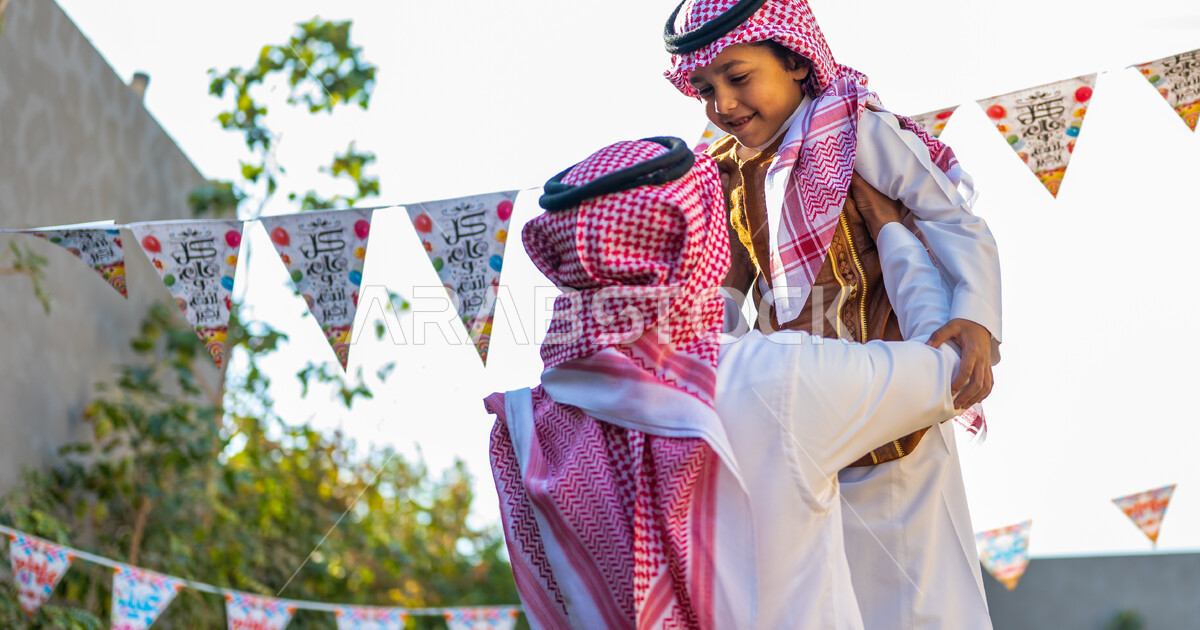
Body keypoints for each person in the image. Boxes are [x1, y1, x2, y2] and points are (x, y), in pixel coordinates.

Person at [486, 137, 969, 629]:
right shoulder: (778, 378)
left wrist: (730, 295)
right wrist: (891, 231)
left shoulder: (533, 425)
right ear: (699, 237)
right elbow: (952, 368)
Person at [662, 1, 1000, 628]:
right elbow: (728, 292)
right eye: (705, 90)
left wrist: (976, 318)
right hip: (801, 413)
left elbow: (953, 220)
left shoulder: (855, 129)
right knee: (826, 589)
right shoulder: (726, 174)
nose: (723, 105)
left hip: (894, 394)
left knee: (919, 590)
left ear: (795, 60)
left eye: (738, 78)